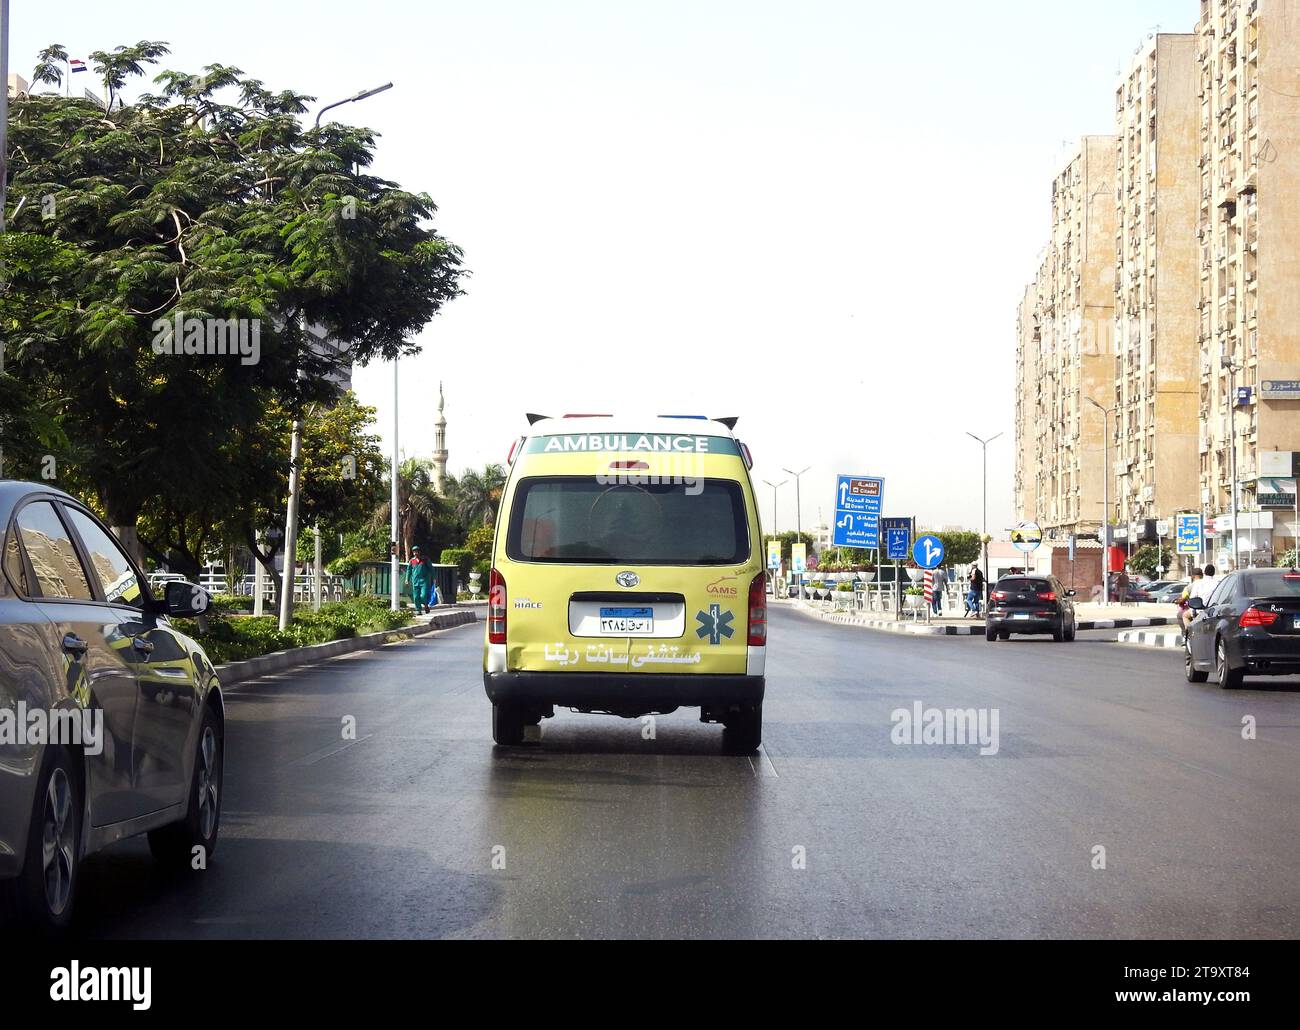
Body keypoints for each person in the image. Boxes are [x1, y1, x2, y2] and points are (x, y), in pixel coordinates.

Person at [405, 545, 436, 614]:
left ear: (419, 552)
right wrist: (407, 579)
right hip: (415, 581)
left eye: (416, 552)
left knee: (423, 595)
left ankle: (425, 605)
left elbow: (431, 569)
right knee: (416, 597)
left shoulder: (425, 560)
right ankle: (418, 610)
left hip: (424, 581)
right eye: (414, 552)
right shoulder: (411, 561)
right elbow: (409, 571)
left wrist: (434, 578)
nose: (415, 553)